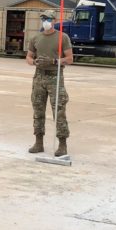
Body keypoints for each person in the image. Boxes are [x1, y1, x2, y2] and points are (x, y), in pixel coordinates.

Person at [26, 10, 73, 156]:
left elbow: (70, 59)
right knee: (38, 110)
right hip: (39, 77)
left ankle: (62, 145)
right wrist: (34, 62)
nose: (45, 21)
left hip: (55, 77)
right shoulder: (35, 38)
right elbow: (28, 57)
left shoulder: (62, 37)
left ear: (54, 20)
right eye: (43, 18)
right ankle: (38, 143)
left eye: (48, 18)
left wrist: (54, 61)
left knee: (59, 111)